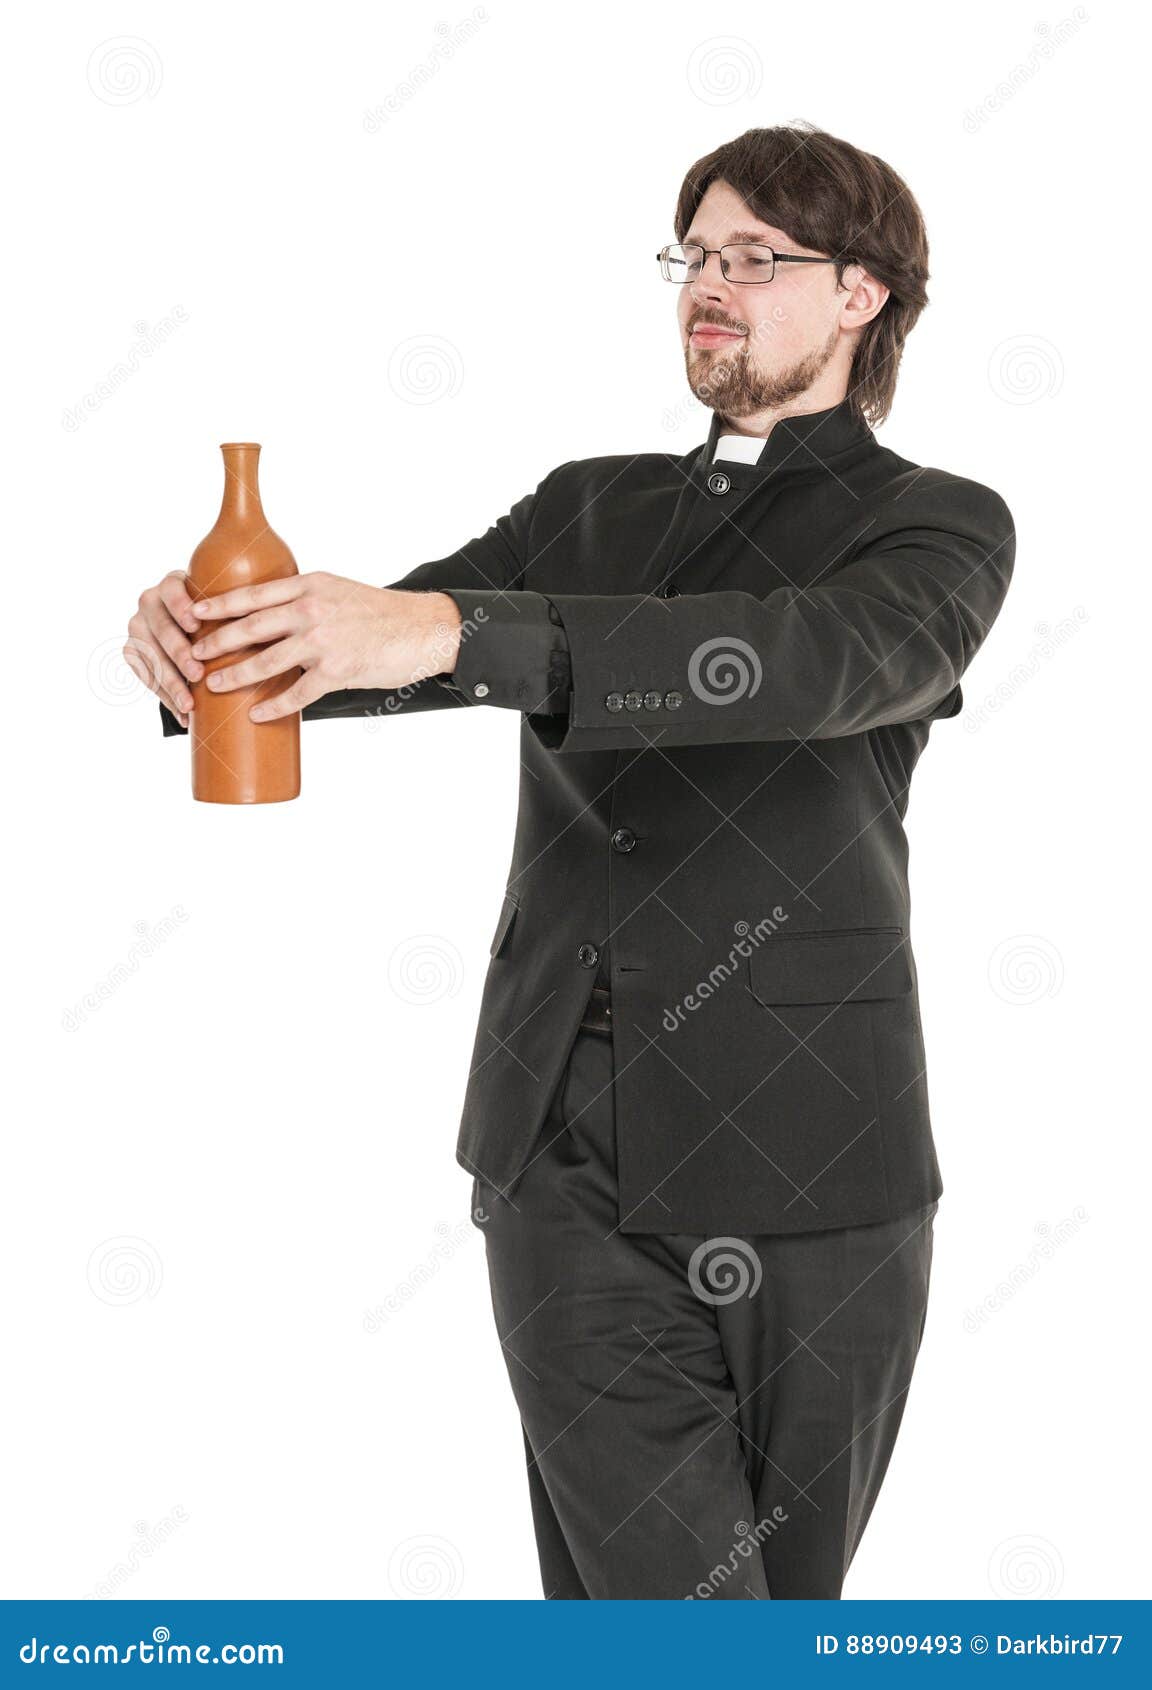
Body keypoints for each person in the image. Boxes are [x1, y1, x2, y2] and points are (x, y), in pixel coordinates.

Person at [124, 122, 1015, 1599]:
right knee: (686, 1616)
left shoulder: (936, 527)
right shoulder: (587, 503)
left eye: (754, 258)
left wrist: (461, 634)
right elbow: (376, 652)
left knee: (758, 1624)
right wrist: (210, 656)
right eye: (694, 256)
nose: (706, 287)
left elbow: (798, 664)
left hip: (829, 1167)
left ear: (862, 295)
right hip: (567, 1161)